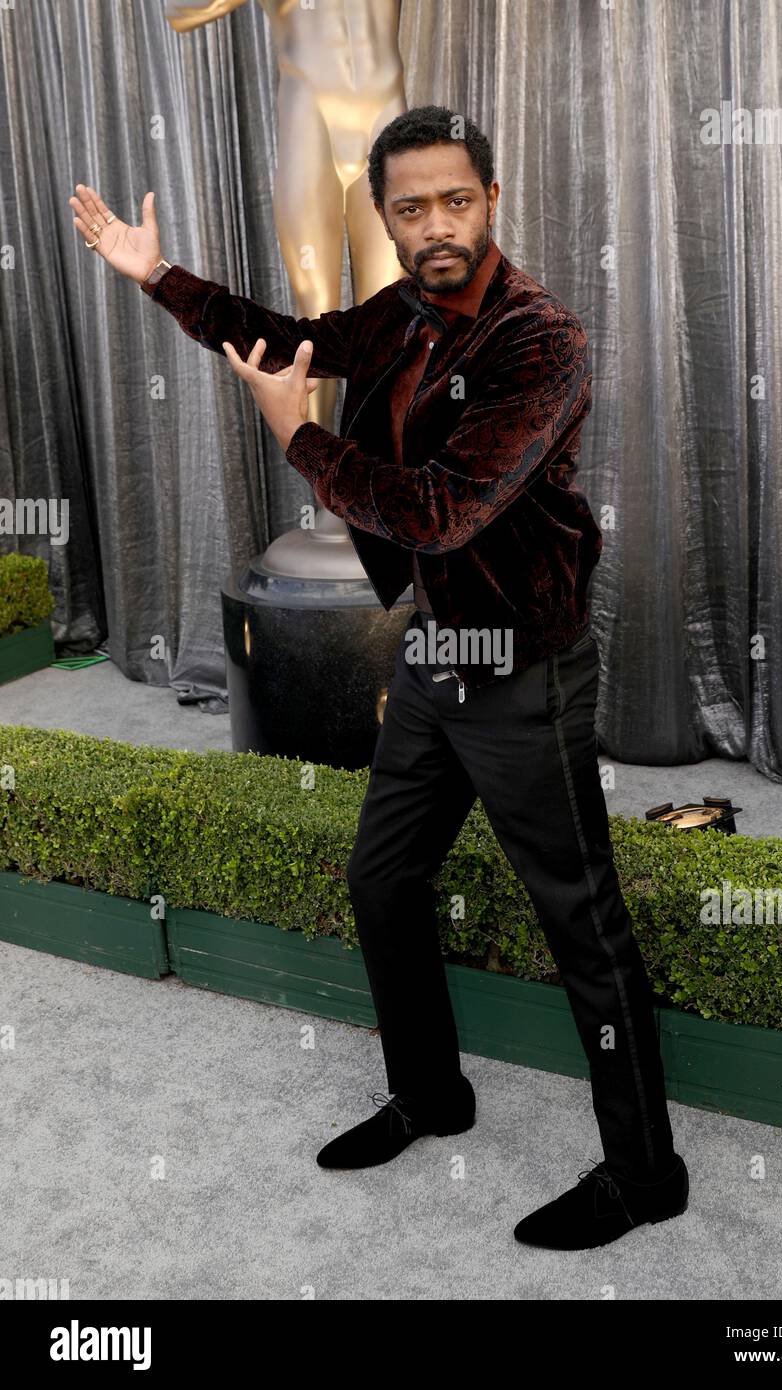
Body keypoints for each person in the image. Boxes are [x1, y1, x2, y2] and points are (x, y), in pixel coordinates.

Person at [70, 105, 688, 1251]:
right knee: (381, 877)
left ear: (489, 200)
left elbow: (442, 512)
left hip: (520, 666)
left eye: (456, 200)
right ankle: (432, 1092)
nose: (436, 224)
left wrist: (297, 440)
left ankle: (645, 1170)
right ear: (387, 217)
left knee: (581, 922)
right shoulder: (402, 313)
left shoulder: (538, 338)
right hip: (432, 651)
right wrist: (157, 275)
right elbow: (283, 340)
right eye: (411, 207)